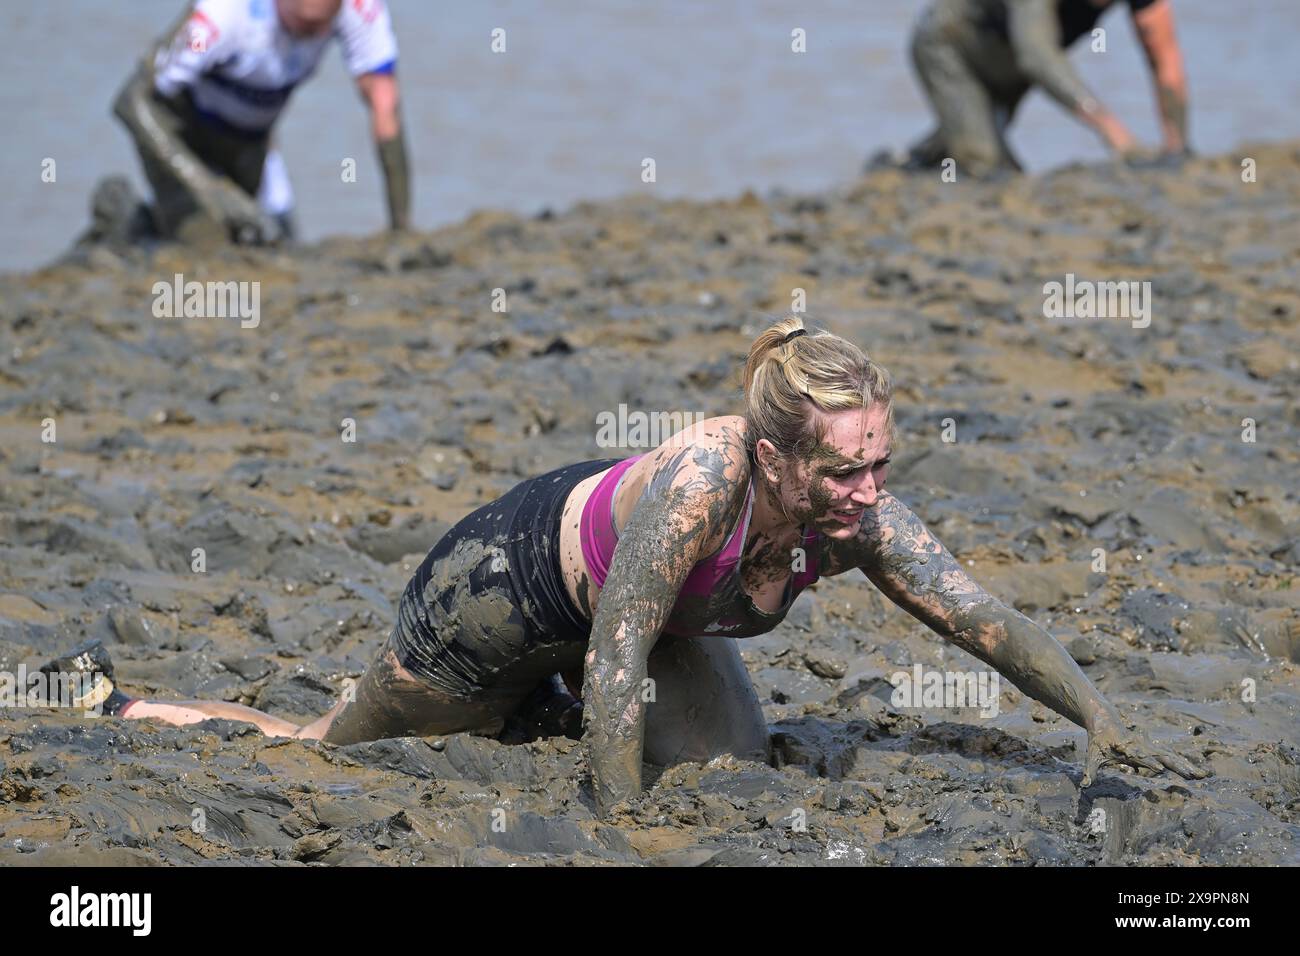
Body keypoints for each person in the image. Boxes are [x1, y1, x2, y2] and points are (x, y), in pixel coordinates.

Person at [46, 318, 1208, 818]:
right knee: (333, 748)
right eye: (845, 471)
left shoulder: (858, 519)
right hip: (498, 592)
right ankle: (116, 699)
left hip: (649, 629)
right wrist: (615, 817)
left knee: (735, 763)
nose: (868, 492)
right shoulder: (704, 484)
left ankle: (545, 729)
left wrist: (1101, 723)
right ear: (773, 457)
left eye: (881, 463)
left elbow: (980, 620)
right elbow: (612, 643)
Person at [110, 0, 409, 244]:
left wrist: (400, 232)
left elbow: (385, 105)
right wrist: (209, 188)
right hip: (180, 136)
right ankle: (122, 218)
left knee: (270, 245)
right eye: (301, 23)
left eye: (319, 27)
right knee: (207, 251)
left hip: (250, 142)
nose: (309, 35)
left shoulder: (358, 9)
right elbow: (132, 101)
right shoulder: (219, 18)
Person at [900, 0, 1189, 175]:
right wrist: (1114, 133)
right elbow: (1038, 57)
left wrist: (1176, 148)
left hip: (1008, 62)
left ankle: (909, 164)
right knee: (983, 162)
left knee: (997, 162)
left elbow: (1165, 60)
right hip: (950, 47)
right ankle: (911, 174)